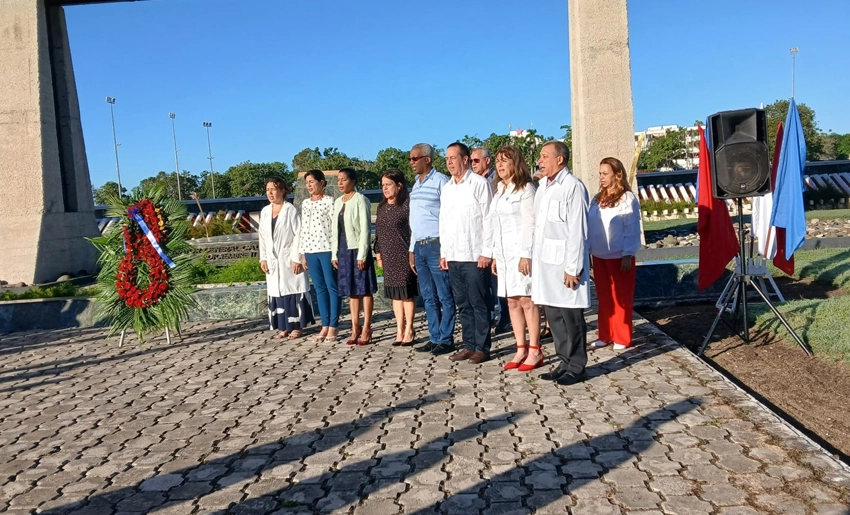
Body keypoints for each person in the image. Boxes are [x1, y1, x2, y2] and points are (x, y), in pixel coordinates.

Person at [531, 141, 591, 385]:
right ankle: (563, 361)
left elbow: (578, 230)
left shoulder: (573, 187)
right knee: (554, 316)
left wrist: (573, 267)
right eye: (540, 157)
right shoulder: (544, 186)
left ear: (560, 160)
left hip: (566, 265)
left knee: (571, 318)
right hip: (546, 265)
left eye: (545, 156)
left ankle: (577, 365)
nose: (540, 161)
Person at [483, 146, 542, 371]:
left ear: (515, 163)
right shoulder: (498, 190)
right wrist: (496, 255)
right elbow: (495, 225)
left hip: (521, 253)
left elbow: (531, 222)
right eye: (497, 161)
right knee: (511, 301)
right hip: (504, 254)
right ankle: (520, 348)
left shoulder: (526, 189)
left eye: (504, 161)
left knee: (527, 300)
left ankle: (535, 349)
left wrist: (526, 253)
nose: (500, 165)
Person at [440, 142, 494, 364]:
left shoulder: (479, 184)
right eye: (447, 159)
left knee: (478, 302)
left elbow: (490, 218)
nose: (450, 162)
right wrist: (444, 252)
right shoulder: (447, 188)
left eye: (453, 158)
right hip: (454, 256)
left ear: (465, 159)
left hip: (475, 255)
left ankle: (482, 346)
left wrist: (487, 252)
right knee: (462, 303)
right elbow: (443, 222)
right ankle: (469, 344)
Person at [587, 157, 641, 350]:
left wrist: (628, 254)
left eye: (605, 173)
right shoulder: (596, 198)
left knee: (621, 297)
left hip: (619, 255)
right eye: (600, 173)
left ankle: (622, 336)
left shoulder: (627, 198)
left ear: (617, 175)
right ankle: (605, 334)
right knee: (604, 296)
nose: (601, 177)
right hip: (599, 255)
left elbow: (632, 228)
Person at [408, 143, 456, 356]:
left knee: (444, 294)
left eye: (414, 158)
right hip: (420, 246)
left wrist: (445, 249)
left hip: (436, 244)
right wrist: (412, 248)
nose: (411, 163)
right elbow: (414, 220)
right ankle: (434, 336)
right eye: (410, 159)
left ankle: (446, 339)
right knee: (428, 296)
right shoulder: (415, 185)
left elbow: (448, 217)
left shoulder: (441, 182)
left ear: (427, 159)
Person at [259, 177, 315, 339]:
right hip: (272, 259)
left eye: (273, 189)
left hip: (289, 258)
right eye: (267, 189)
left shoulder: (290, 210)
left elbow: (299, 234)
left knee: (292, 292)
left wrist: (296, 257)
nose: (270, 193)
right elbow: (262, 237)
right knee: (277, 293)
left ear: (283, 191)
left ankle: (297, 326)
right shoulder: (265, 212)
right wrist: (263, 258)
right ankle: (283, 326)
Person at [332, 168, 378, 345]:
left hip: (358, 249)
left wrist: (362, 254)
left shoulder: (361, 200)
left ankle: (366, 327)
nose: (341, 183)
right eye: (338, 180)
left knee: (364, 289)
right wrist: (334, 253)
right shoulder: (338, 202)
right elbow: (335, 231)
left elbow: (366, 229)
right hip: (343, 249)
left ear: (353, 181)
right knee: (351, 291)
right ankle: (354, 327)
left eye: (344, 180)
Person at [374, 169, 418, 346]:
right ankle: (399, 329)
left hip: (404, 253)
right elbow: (378, 231)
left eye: (388, 185)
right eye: (383, 185)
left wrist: (412, 252)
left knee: (406, 293)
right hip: (388, 254)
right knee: (395, 294)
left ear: (398, 185)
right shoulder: (382, 207)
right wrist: (378, 252)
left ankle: (410, 329)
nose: (385, 188)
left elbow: (413, 229)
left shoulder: (407, 204)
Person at [472, 147, 511, 335]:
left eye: (476, 161)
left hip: (499, 239)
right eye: (471, 161)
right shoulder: (473, 182)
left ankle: (506, 317)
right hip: (481, 241)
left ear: (487, 161)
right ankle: (489, 315)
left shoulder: (496, 180)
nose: (473, 164)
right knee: (485, 284)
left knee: (498, 283)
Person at [299, 170, 341, 343]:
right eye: (307, 182)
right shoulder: (306, 203)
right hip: (310, 250)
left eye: (312, 182)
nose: (309, 185)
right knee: (320, 288)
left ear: (321, 182)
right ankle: (324, 324)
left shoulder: (330, 202)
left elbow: (335, 228)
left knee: (332, 287)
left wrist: (335, 253)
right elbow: (303, 229)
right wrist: (302, 253)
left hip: (326, 249)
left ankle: (333, 325)